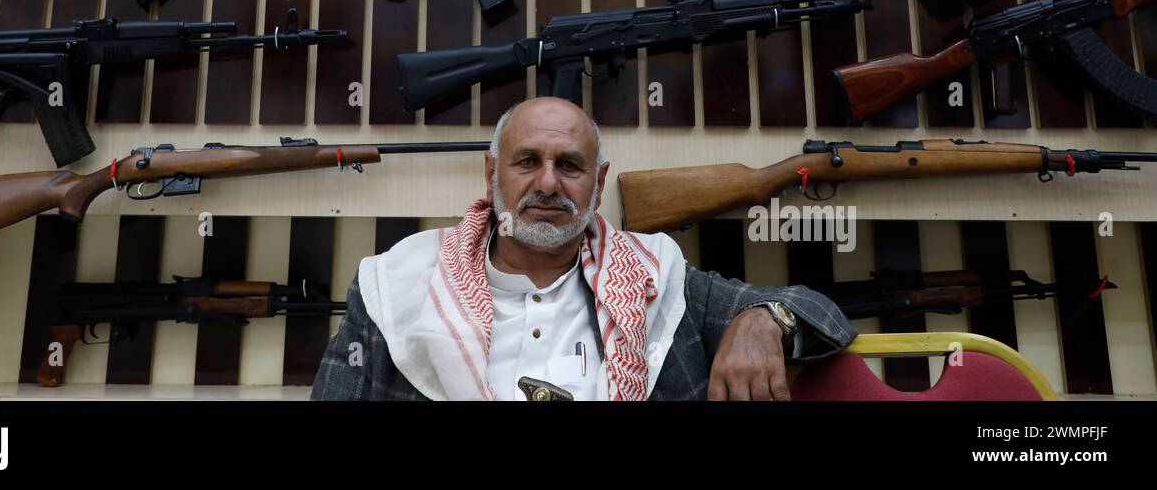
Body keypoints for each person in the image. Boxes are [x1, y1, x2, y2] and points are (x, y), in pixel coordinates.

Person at [311, 97, 855, 400]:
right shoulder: (399, 286)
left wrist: (764, 321)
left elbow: (822, 313)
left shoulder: (655, 281)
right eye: (527, 162)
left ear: (599, 184)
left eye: (569, 165)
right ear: (491, 174)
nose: (547, 184)